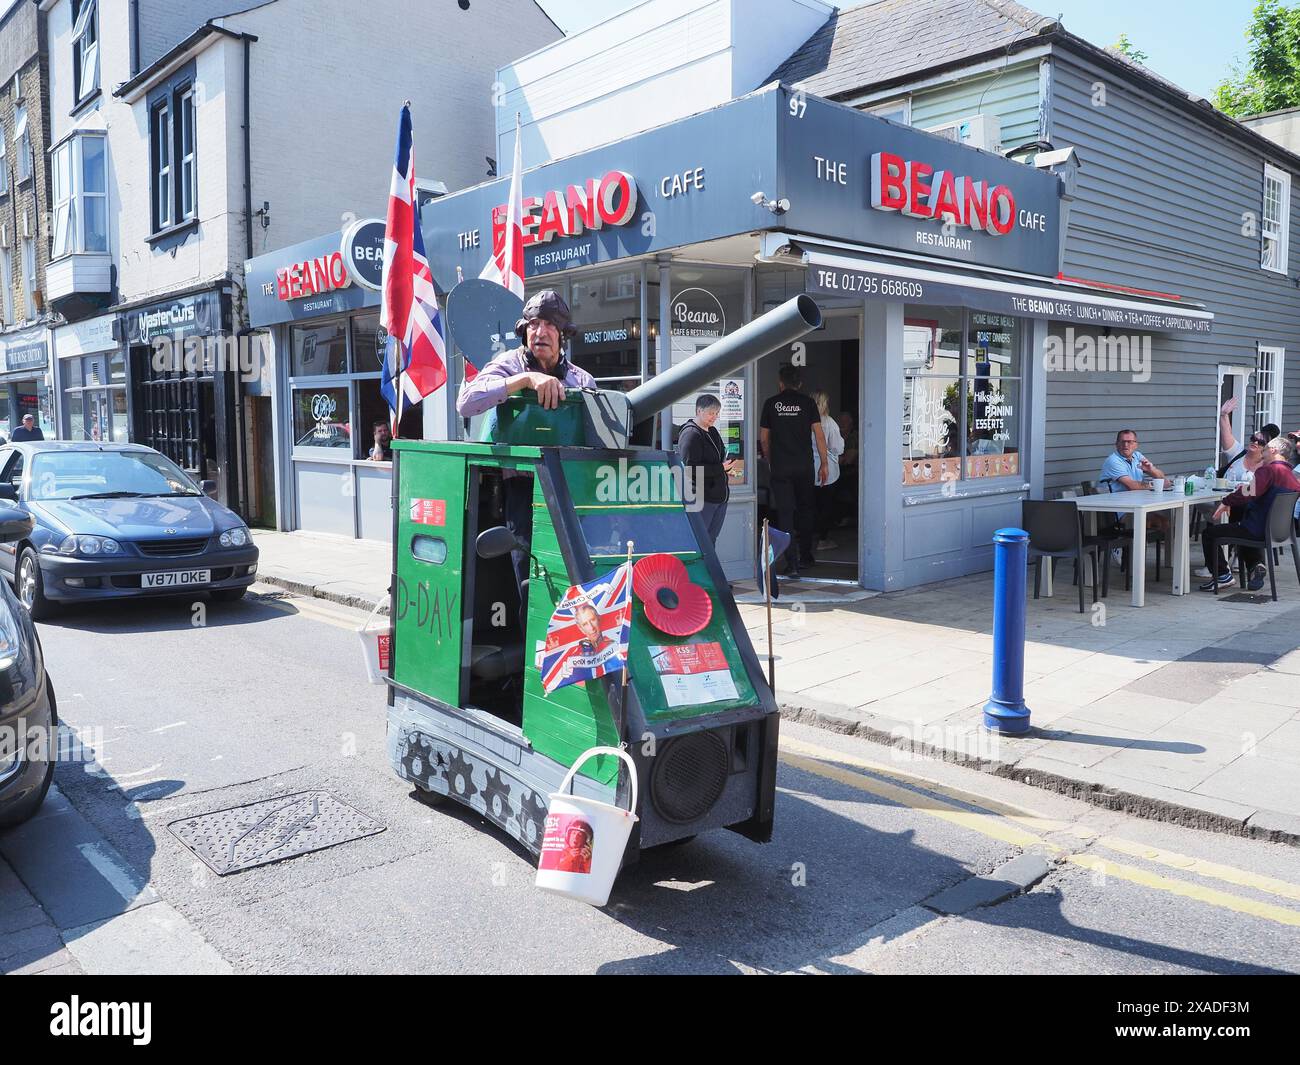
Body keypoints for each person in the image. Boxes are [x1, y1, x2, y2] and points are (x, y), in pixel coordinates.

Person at [457, 290, 595, 611]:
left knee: (573, 579)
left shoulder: (581, 379)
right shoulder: (508, 365)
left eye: (549, 324)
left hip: (572, 488)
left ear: (562, 334)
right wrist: (524, 380)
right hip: (521, 490)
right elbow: (466, 402)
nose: (540, 331)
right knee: (528, 579)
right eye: (533, 324)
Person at [1201, 437, 1300, 591]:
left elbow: (1250, 491)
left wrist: (1227, 501)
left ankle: (1222, 575)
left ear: (1273, 451)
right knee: (1242, 524)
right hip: (1281, 533)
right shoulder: (1291, 476)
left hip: (1258, 530)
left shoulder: (1268, 470)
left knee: (1210, 533)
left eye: (1265, 449)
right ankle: (1255, 566)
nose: (1262, 452)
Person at [760, 365, 828, 578]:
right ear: (799, 384)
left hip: (781, 467)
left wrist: (772, 460)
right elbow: (819, 435)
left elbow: (764, 439)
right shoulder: (808, 403)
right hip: (804, 466)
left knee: (785, 514)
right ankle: (806, 556)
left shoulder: (771, 404)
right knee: (806, 510)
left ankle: (792, 564)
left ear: (780, 382)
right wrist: (824, 463)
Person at [676, 394, 734, 545]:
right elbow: (689, 468)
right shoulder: (691, 434)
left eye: (716, 413)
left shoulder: (713, 431)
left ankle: (709, 569)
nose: (714, 417)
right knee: (700, 542)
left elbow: (718, 459)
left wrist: (726, 469)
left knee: (710, 541)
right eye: (710, 413)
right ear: (699, 411)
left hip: (718, 496)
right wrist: (720, 468)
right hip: (701, 498)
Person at [810, 391, 844, 551]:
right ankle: (823, 539)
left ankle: (809, 536)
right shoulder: (829, 423)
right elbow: (837, 447)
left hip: (808, 469)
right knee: (826, 506)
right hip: (827, 470)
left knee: (810, 505)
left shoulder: (804, 422)